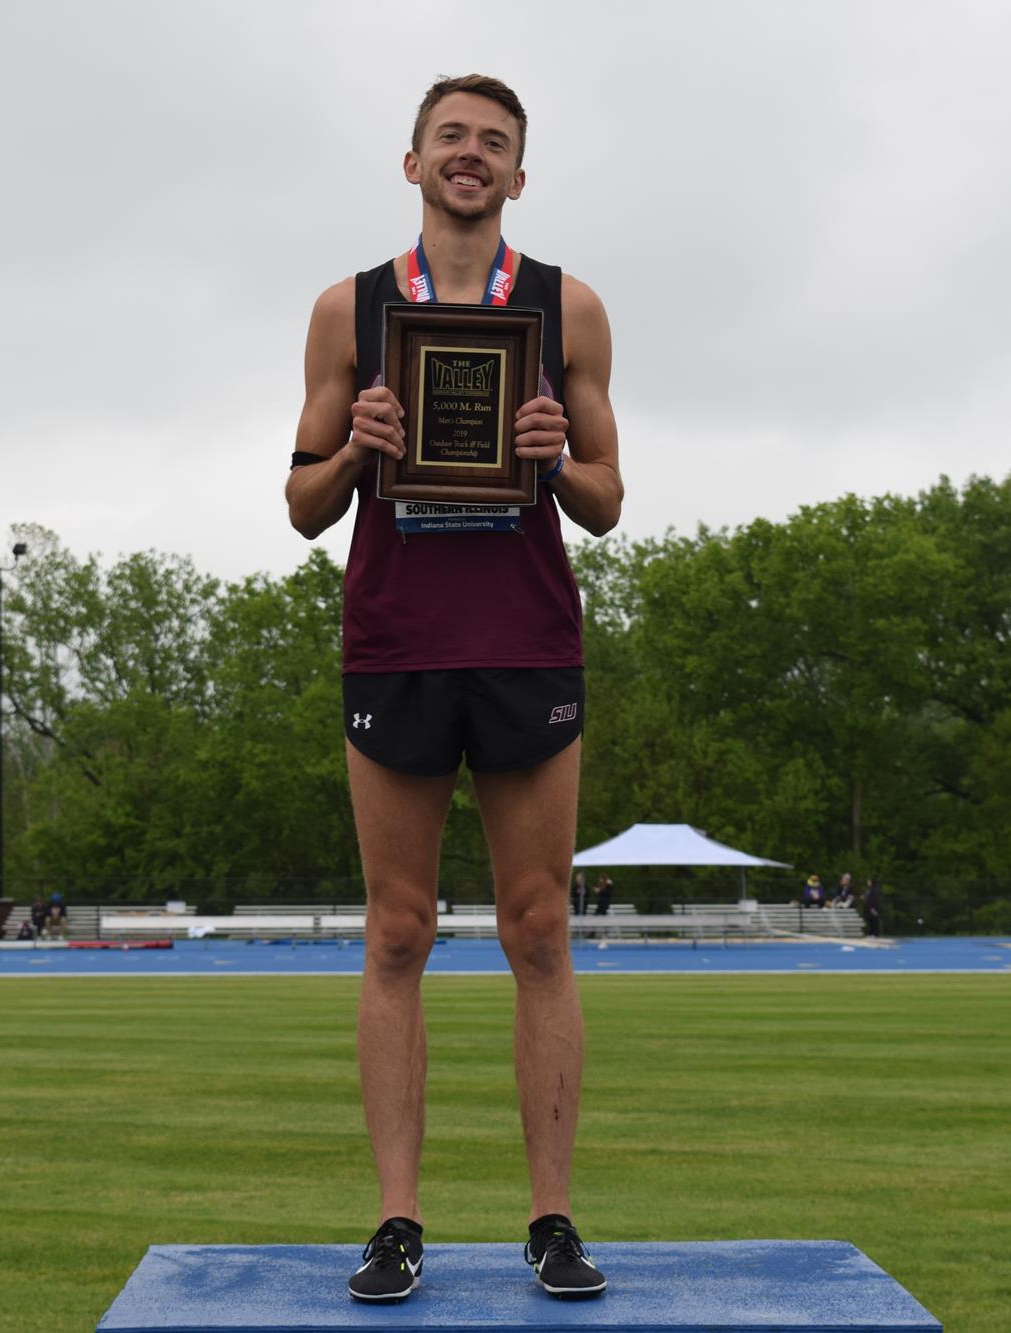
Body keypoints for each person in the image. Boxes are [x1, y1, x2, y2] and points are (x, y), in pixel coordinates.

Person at [285, 74, 620, 1302]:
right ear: (412, 161)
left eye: (491, 143)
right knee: (396, 930)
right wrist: (358, 449)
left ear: (517, 175)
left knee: (538, 928)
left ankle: (551, 1219)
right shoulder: (350, 308)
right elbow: (301, 503)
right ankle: (395, 1220)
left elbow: (607, 498)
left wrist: (556, 459)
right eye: (449, 138)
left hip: (525, 639)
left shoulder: (566, 306)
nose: (468, 155)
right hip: (396, 639)